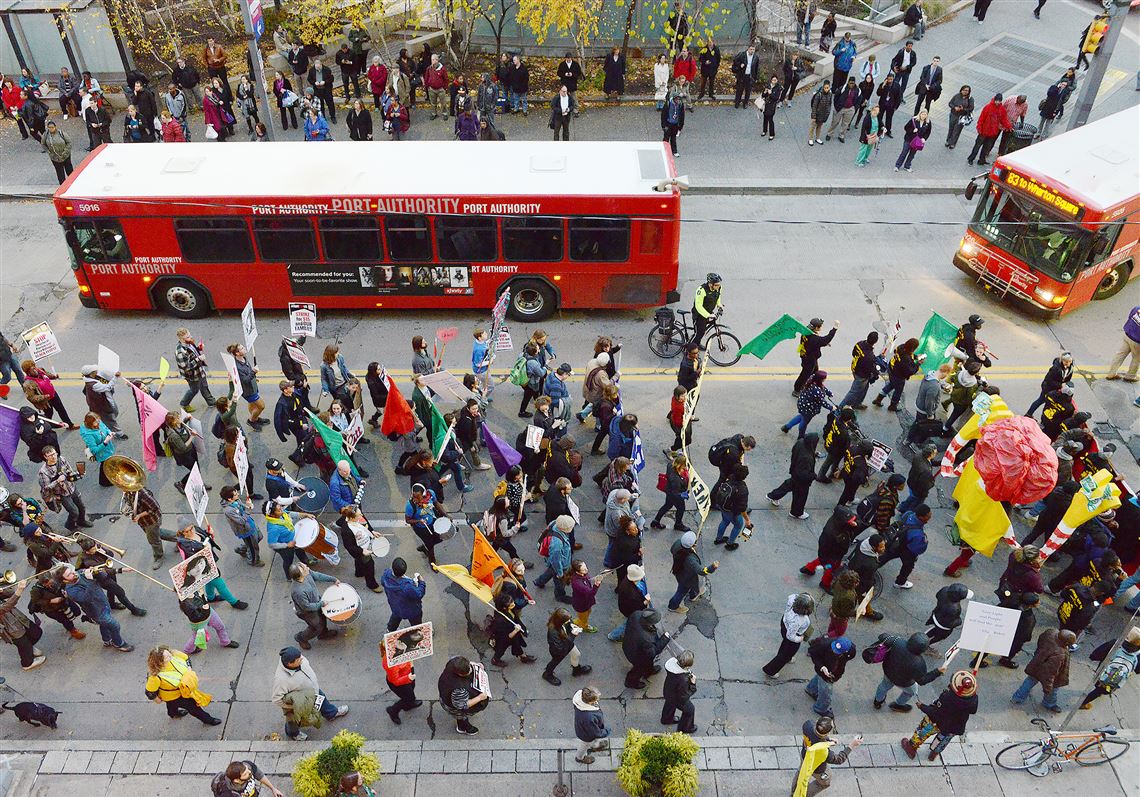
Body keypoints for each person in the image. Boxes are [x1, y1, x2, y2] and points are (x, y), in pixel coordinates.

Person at [272, 646, 349, 740]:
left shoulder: (300, 659)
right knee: (293, 721)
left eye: (300, 657)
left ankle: (332, 713)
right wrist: (295, 707)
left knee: (322, 699)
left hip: (313, 691)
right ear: (290, 663)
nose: (302, 659)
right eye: (298, 659)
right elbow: (276, 699)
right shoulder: (281, 679)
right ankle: (293, 734)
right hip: (300, 702)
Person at [901, 671, 978, 761]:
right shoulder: (973, 698)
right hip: (954, 727)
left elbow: (935, 712)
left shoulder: (947, 698)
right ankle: (934, 753)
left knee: (922, 733)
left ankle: (911, 748)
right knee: (942, 740)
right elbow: (973, 711)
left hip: (936, 722)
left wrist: (922, 707)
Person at [61, 564, 133, 652]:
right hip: (96, 611)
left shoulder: (80, 572)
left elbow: (103, 577)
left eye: (71, 570)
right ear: (65, 580)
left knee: (104, 625)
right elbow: (86, 599)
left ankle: (107, 640)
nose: (73, 573)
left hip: (104, 602)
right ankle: (118, 643)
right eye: (69, 575)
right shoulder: (71, 591)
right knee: (115, 625)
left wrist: (96, 572)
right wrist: (90, 580)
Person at [145, 645, 221, 726]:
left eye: (168, 653)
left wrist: (189, 669)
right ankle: (208, 720)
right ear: (160, 662)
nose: (170, 655)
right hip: (178, 695)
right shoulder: (155, 677)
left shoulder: (173, 654)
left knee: (171, 704)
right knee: (194, 708)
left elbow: (186, 658)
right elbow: (149, 691)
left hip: (180, 692)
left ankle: (173, 713)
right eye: (166, 657)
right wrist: (157, 700)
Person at [873, 632, 944, 711]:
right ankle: (898, 704)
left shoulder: (898, 642)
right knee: (911, 692)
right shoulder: (920, 663)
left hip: (888, 671)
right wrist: (937, 672)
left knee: (883, 686)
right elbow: (922, 680)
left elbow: (883, 637)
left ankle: (878, 701)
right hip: (903, 681)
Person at [793, 716, 861, 796]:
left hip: (804, 756)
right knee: (824, 783)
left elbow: (816, 736)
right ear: (828, 733)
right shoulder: (824, 751)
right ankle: (802, 794)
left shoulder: (807, 725)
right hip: (817, 768)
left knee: (801, 772)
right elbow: (839, 759)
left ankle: (793, 792)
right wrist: (851, 745)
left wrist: (828, 739)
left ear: (817, 721)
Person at [1012, 628, 1075, 713]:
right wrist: (1047, 688)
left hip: (1037, 663)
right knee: (1053, 689)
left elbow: (1040, 640)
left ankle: (1017, 698)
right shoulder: (1059, 653)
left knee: (1030, 680)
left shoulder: (1051, 633)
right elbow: (1050, 673)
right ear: (1066, 643)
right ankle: (1049, 703)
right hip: (1047, 670)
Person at [1079, 628, 1140, 710]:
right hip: (1116, 678)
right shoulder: (1138, 655)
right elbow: (1137, 670)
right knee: (1101, 690)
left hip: (1103, 670)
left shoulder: (1116, 643)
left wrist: (1093, 657)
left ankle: (1083, 703)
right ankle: (1096, 694)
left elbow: (1098, 653)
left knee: (1098, 685)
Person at [800, 506, 857, 590]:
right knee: (830, 569)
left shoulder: (836, 523)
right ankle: (825, 583)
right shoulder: (833, 533)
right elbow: (826, 547)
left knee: (822, 561)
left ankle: (809, 568)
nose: (852, 522)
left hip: (830, 554)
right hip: (833, 556)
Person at [767, 432, 819, 520]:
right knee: (801, 495)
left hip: (794, 471)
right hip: (801, 480)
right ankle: (796, 513)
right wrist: (813, 476)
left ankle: (773, 495)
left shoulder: (800, 442)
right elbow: (803, 474)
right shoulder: (807, 457)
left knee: (789, 484)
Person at [762, 593, 815, 677]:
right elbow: (790, 636)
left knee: (785, 645)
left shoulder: (792, 600)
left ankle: (788, 657)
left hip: (785, 624)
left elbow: (792, 595)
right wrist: (800, 638)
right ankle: (770, 670)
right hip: (793, 634)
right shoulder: (798, 621)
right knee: (786, 653)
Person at [289, 562, 339, 650]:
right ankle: (301, 638)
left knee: (322, 618)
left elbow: (318, 576)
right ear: (300, 575)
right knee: (316, 627)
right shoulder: (298, 591)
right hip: (308, 613)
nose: (307, 567)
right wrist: (321, 604)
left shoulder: (307, 574)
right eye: (305, 568)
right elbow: (306, 607)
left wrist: (333, 579)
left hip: (316, 603)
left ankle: (323, 634)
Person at [380, 628, 424, 725]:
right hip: (400, 684)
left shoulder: (402, 649)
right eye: (398, 642)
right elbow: (395, 680)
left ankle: (409, 705)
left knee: (411, 691)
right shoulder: (389, 662)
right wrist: (408, 678)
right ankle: (393, 710)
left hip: (408, 675)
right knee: (408, 697)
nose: (401, 641)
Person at [805, 635, 855, 718]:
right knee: (826, 695)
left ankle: (811, 689)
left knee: (819, 679)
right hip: (824, 671)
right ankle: (820, 708)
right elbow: (813, 653)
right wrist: (821, 667)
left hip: (833, 671)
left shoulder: (851, 650)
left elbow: (848, 658)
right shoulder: (823, 644)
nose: (834, 651)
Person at [438, 655, 489, 735]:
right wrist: (480, 697)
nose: (471, 671)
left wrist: (476, 666)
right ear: (460, 674)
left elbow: (465, 664)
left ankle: (462, 723)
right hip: (454, 706)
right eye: (468, 672)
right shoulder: (458, 689)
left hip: (445, 694)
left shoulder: (453, 662)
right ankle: (462, 727)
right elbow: (462, 705)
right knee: (461, 716)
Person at [668, 531, 717, 613]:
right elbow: (701, 571)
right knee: (681, 592)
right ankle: (673, 606)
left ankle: (694, 595)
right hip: (686, 577)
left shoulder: (677, 543)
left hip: (679, 572)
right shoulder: (690, 559)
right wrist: (712, 567)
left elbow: (672, 550)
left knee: (694, 583)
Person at [0, 581, 44, 670]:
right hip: (10, 628)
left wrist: (2, 591)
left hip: (18, 618)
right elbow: (5, 607)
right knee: (23, 645)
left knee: (36, 632)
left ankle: (29, 648)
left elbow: (11, 593)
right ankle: (27, 664)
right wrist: (19, 590)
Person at [623, 609, 670, 688]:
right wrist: (665, 638)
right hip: (637, 656)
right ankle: (631, 682)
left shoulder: (636, 614)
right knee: (638, 669)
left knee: (647, 663)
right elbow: (653, 652)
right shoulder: (646, 639)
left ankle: (648, 671)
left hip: (629, 644)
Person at [873, 338, 922, 410]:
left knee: (891, 385)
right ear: (913, 348)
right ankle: (893, 406)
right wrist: (918, 364)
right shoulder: (906, 359)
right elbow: (910, 371)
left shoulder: (901, 347)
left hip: (892, 369)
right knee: (898, 391)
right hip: (898, 376)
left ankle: (878, 399)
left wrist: (916, 357)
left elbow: (908, 355)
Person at [712, 464, 752, 551]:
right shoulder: (742, 489)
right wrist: (747, 520)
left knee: (724, 521)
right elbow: (742, 508)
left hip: (723, 507)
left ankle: (718, 539)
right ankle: (730, 544)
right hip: (733, 512)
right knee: (738, 525)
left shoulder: (728, 479)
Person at [382, 557, 425, 632]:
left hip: (395, 605)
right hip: (411, 610)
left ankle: (390, 630)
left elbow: (383, 582)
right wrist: (422, 582)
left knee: (396, 616)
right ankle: (417, 632)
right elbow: (419, 594)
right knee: (416, 622)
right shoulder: (406, 587)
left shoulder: (385, 575)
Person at [782, 370, 832, 437]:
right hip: (809, 409)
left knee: (801, 416)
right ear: (821, 379)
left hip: (803, 404)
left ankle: (787, 427)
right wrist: (831, 407)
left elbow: (822, 386)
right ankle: (801, 436)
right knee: (804, 422)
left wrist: (828, 392)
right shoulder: (816, 390)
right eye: (824, 378)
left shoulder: (812, 378)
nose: (825, 379)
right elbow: (822, 402)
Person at [661, 650, 698, 733]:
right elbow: (685, 696)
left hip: (668, 692)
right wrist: (693, 684)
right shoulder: (683, 679)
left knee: (669, 703)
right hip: (677, 698)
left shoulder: (671, 668)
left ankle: (666, 719)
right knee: (690, 710)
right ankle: (685, 728)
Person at [967, 93, 1009, 166]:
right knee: (977, 146)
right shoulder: (988, 107)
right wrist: (979, 128)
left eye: (999, 101)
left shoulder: (1001, 109)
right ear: (995, 99)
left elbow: (1004, 120)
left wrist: (1009, 127)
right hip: (984, 131)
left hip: (992, 133)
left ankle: (981, 160)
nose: (997, 102)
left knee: (986, 147)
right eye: (997, 100)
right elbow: (981, 118)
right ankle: (971, 159)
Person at [573, 686, 610, 763]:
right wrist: (606, 731)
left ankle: (594, 745)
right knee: (584, 745)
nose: (598, 700)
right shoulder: (589, 717)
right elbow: (595, 732)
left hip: (584, 728)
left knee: (592, 740)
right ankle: (580, 758)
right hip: (586, 735)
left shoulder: (580, 701)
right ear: (590, 702)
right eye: (596, 699)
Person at [898, 443, 937, 514]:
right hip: (918, 490)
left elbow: (930, 462)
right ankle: (907, 514)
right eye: (935, 453)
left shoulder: (919, 455)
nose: (936, 454)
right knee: (915, 504)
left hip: (912, 482)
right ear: (930, 454)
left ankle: (902, 507)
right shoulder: (926, 470)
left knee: (911, 497)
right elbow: (924, 485)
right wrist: (932, 483)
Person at [1105, 305, 1140, 382]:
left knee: (1120, 354)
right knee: (1136, 359)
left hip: (1127, 334)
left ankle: (1111, 373)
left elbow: (1130, 316)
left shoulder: (1137, 308)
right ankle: (1130, 376)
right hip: (1137, 341)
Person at [212, 760, 285, 797]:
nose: (249, 772)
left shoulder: (248, 765)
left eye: (247, 769)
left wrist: (273, 789)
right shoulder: (228, 793)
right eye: (245, 774)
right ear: (236, 780)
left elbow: (260, 775)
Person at [40, 120, 73, 185]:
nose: (51, 129)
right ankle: (63, 186)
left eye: (52, 127)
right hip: (55, 158)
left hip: (65, 156)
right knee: (60, 173)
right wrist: (49, 151)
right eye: (49, 127)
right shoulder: (46, 135)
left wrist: (65, 152)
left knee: (69, 171)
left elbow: (69, 143)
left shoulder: (61, 133)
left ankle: (72, 183)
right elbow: (43, 144)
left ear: (55, 127)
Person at [308, 58, 336, 123]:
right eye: (316, 67)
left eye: (318, 67)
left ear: (321, 65)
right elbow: (309, 79)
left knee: (330, 103)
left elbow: (331, 79)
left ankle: (333, 116)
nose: (317, 69)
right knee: (320, 105)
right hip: (317, 90)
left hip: (326, 89)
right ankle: (323, 117)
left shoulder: (327, 69)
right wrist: (314, 82)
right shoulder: (311, 70)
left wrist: (325, 82)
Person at [732, 44, 760, 108]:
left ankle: (745, 103)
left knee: (748, 91)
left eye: (753, 50)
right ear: (748, 49)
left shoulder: (756, 57)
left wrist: (755, 77)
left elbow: (756, 68)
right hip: (742, 76)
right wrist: (740, 65)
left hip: (750, 77)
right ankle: (737, 102)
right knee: (739, 90)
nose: (752, 51)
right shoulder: (742, 55)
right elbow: (735, 62)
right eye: (751, 49)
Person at [876, 73, 902, 138]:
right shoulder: (883, 84)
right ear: (886, 79)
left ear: (893, 79)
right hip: (882, 104)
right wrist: (883, 86)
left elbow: (899, 97)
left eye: (891, 79)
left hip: (891, 105)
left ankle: (888, 131)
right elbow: (878, 93)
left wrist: (896, 106)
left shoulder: (897, 86)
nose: (890, 81)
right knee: (879, 117)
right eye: (888, 79)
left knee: (889, 119)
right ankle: (879, 129)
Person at [807, 80, 832, 146]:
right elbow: (814, 106)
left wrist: (827, 113)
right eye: (825, 88)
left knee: (819, 127)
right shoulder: (819, 94)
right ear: (823, 87)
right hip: (817, 114)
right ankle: (810, 139)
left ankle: (817, 138)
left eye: (828, 88)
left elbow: (829, 104)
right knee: (813, 126)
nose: (826, 89)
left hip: (823, 114)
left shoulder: (830, 94)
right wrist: (813, 116)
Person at [660, 90, 685, 156]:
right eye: (676, 99)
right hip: (668, 123)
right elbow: (663, 115)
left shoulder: (680, 105)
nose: (678, 100)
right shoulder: (668, 104)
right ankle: (664, 150)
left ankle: (674, 151)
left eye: (679, 99)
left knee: (673, 138)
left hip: (675, 124)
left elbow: (682, 116)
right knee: (666, 138)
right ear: (673, 98)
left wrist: (680, 126)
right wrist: (663, 125)